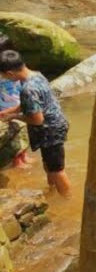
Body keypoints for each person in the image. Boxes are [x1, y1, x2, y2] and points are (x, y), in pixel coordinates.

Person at [0, 51, 71, 197]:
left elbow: (37, 119)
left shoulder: (28, 89)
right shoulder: (36, 75)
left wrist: (14, 116)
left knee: (57, 170)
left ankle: (66, 199)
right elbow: (31, 104)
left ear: (9, 73)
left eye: (3, 75)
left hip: (51, 130)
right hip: (57, 124)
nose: (3, 78)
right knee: (49, 165)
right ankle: (51, 192)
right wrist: (9, 111)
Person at [0, 36, 29, 170]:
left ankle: (23, 156)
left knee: (21, 131)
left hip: (17, 103)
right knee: (14, 133)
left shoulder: (11, 67)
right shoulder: (9, 68)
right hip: (6, 107)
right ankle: (18, 160)